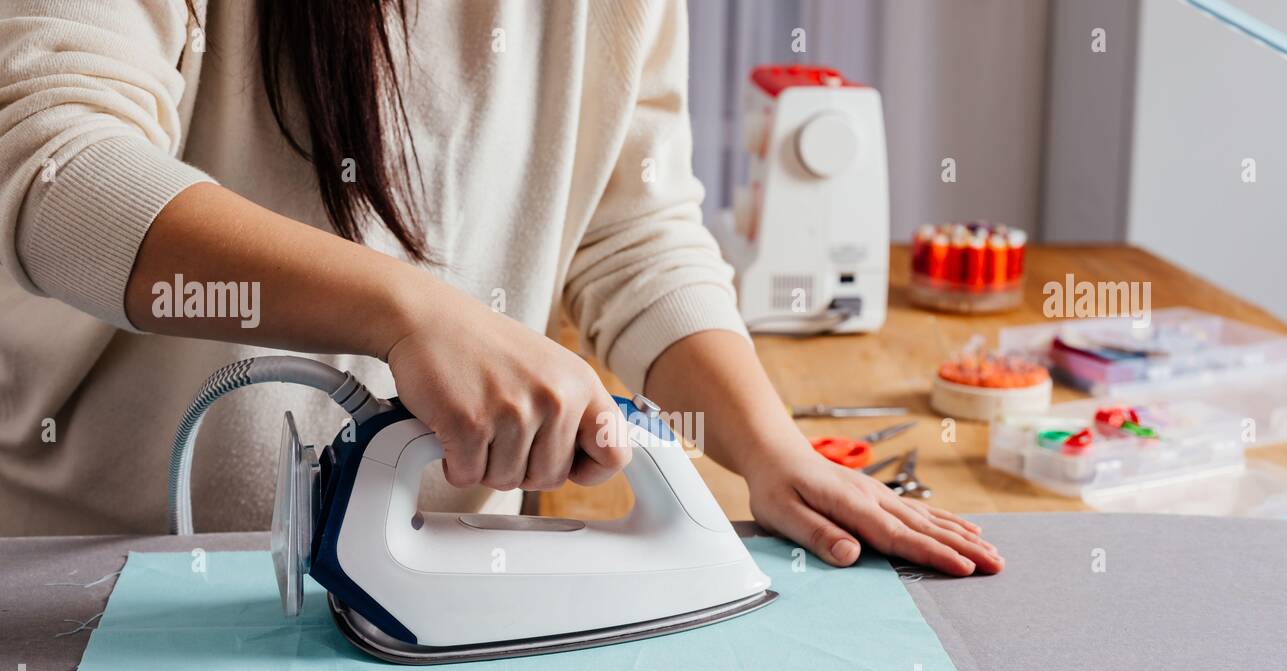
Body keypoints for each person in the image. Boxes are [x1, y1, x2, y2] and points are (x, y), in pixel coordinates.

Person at [0, 0, 1001, 576]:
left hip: (440, 574)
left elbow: (632, 226)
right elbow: (55, 173)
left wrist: (769, 451)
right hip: (99, 580)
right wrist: (412, 313)